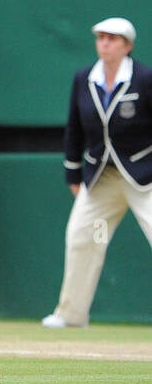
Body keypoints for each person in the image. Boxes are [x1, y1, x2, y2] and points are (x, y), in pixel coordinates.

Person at [44, 18, 152, 328]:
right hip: (100, 178)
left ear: (127, 46)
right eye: (101, 38)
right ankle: (71, 314)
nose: (105, 43)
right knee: (81, 237)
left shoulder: (145, 78)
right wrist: (73, 174)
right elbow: (74, 128)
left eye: (113, 39)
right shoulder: (83, 79)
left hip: (144, 176)